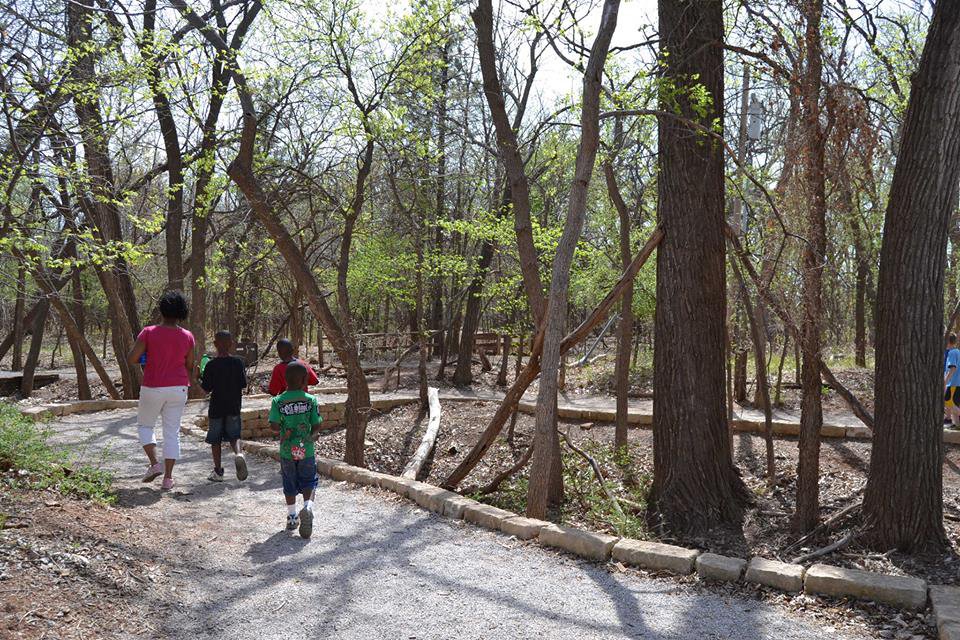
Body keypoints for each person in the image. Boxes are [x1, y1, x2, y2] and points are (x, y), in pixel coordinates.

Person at [127, 291, 195, 491]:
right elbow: (190, 363)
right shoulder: (188, 336)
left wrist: (145, 358)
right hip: (179, 387)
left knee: (145, 426)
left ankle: (154, 464)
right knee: (172, 432)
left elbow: (132, 358)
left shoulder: (148, 332)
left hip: (153, 386)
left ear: (162, 310)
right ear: (182, 311)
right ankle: (168, 478)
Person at [269, 362, 323, 538]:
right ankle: (307, 507)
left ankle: (292, 517)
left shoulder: (278, 401)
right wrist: (313, 435)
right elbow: (317, 424)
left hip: (286, 451)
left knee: (289, 483)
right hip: (306, 450)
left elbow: (274, 426)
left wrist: (282, 431)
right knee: (309, 481)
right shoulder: (311, 400)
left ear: (284, 380)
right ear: (304, 380)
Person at [200, 330, 249, 482]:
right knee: (235, 436)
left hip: (216, 408)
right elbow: (243, 384)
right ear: (231, 344)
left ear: (215, 345)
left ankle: (218, 472)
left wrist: (196, 379)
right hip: (234, 406)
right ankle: (239, 453)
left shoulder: (211, 365)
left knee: (216, 440)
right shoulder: (238, 362)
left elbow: (207, 389)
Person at [946, 334, 960, 429]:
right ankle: (957, 425)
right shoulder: (957, 351)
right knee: (953, 403)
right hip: (956, 383)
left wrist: (945, 381)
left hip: (953, 383)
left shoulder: (952, 353)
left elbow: (953, 368)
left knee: (948, 403)